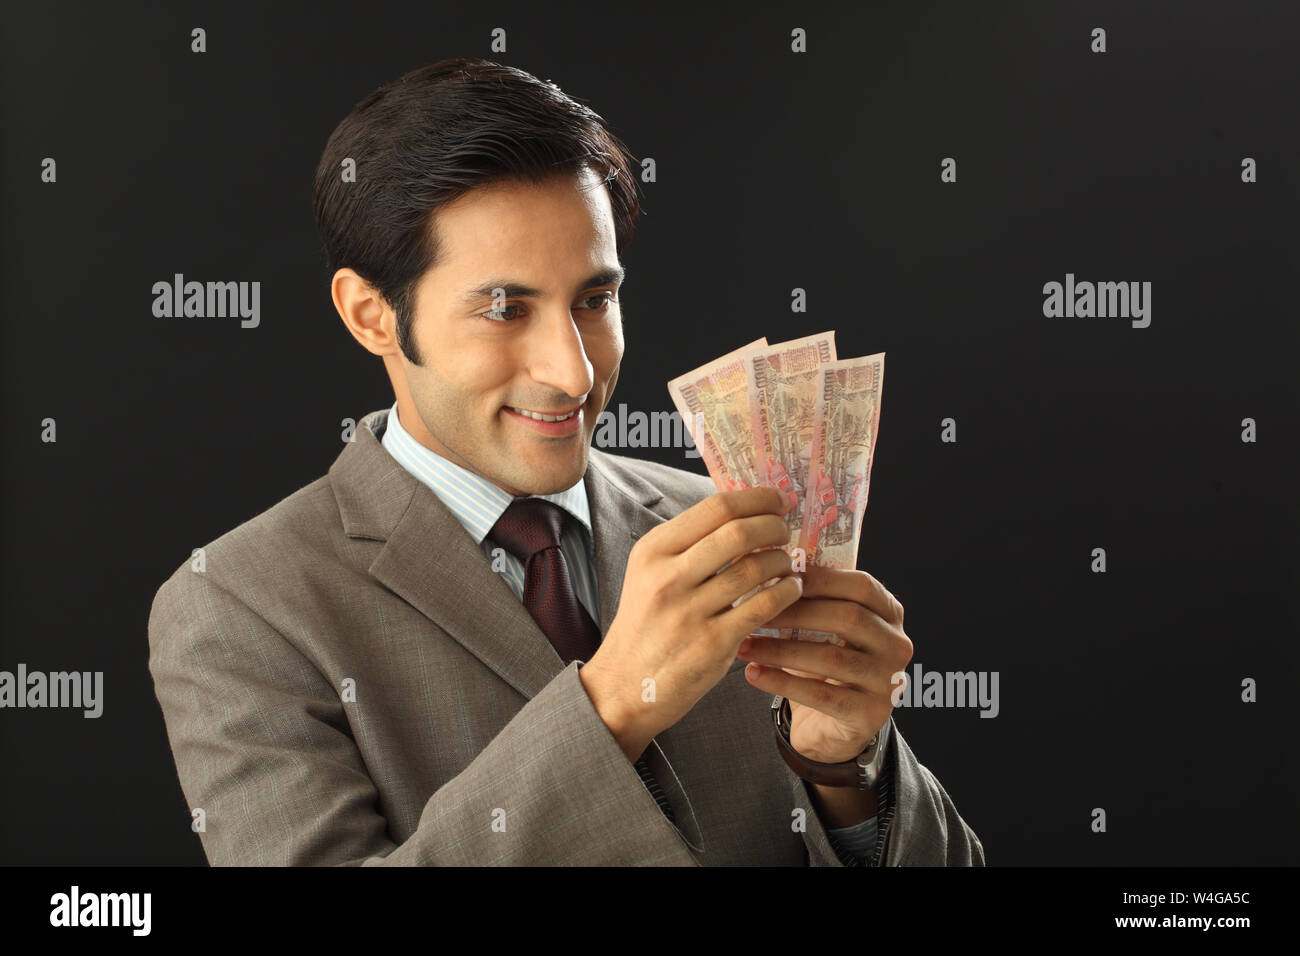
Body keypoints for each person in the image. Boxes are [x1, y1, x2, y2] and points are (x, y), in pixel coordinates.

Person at [146, 57, 985, 866]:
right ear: (371, 315)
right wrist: (613, 703)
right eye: (506, 308)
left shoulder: (722, 521)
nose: (574, 373)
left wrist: (843, 769)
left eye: (595, 299)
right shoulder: (235, 609)